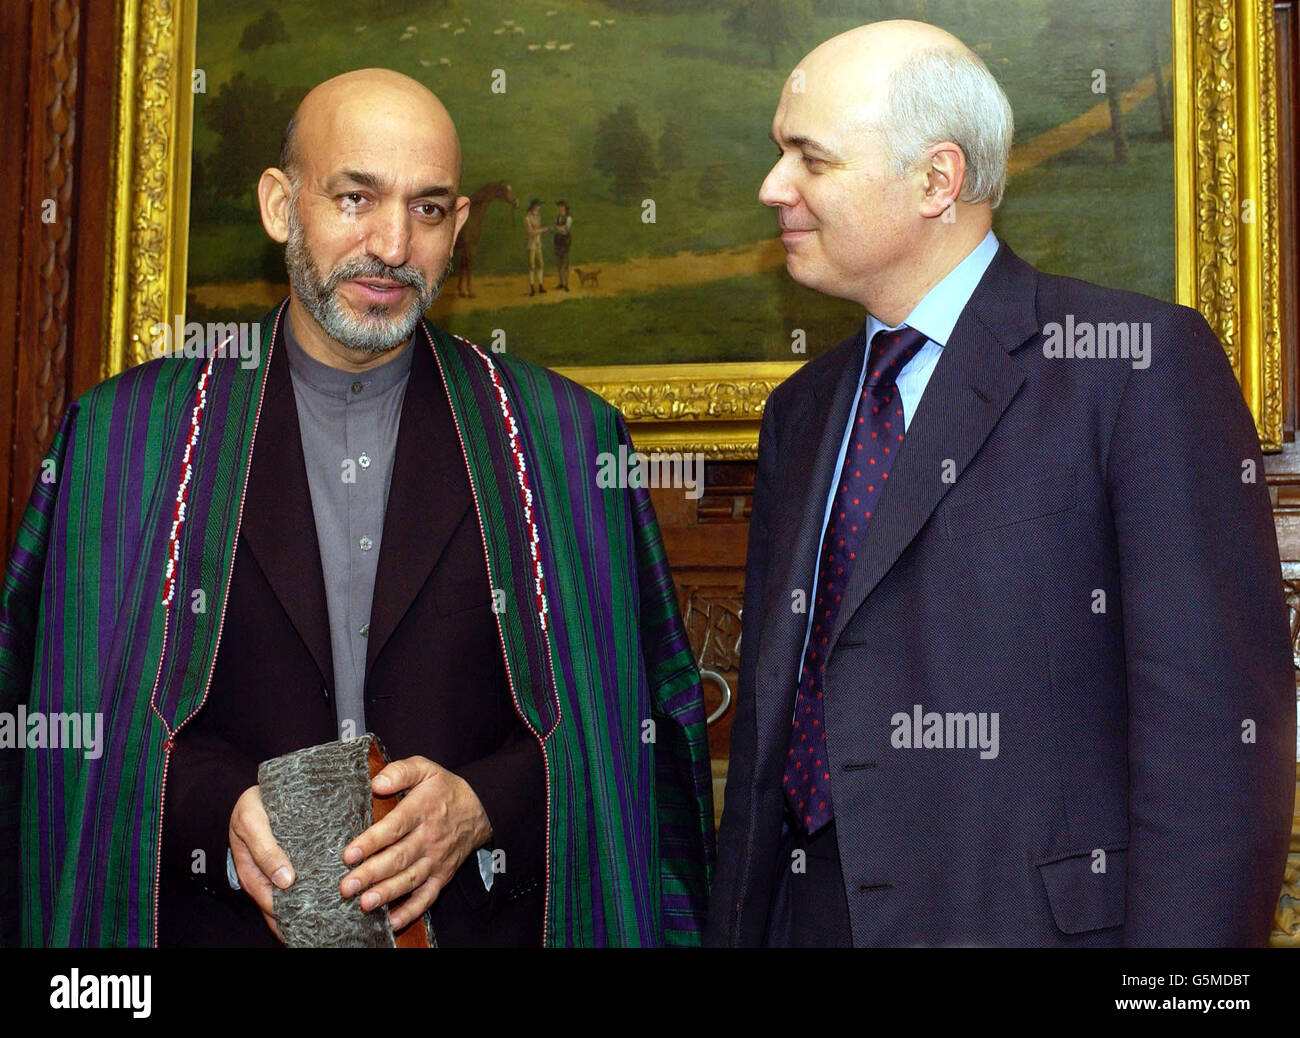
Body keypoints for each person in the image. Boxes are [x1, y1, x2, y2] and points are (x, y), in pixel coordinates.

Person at [0, 69, 713, 948]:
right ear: (278, 205)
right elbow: (63, 735)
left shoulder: (565, 442)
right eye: (355, 196)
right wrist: (216, 811)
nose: (390, 245)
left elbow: (630, 731)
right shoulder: (125, 441)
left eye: (428, 209)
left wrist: (486, 804)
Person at [706, 21, 1294, 947]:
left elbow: (1216, 755)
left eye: (809, 159)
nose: (772, 187)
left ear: (937, 180)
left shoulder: (1134, 367)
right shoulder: (803, 411)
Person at [524, 198, 551, 296]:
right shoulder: (527, 218)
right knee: (531, 265)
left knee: (541, 264)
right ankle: (532, 287)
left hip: (538, 244)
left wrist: (545, 231)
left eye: (539, 205)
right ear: (533, 206)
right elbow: (530, 232)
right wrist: (543, 229)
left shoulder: (538, 216)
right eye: (538, 205)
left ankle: (540, 285)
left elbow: (537, 230)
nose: (539, 207)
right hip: (531, 244)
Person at [553, 200, 573, 291]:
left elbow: (565, 230)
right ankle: (561, 283)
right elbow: (556, 228)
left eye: (561, 206)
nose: (559, 208)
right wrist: (557, 228)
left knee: (565, 263)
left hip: (565, 242)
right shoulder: (557, 217)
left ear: (565, 207)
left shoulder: (568, 218)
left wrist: (557, 227)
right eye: (559, 207)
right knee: (559, 263)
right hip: (558, 242)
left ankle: (566, 284)